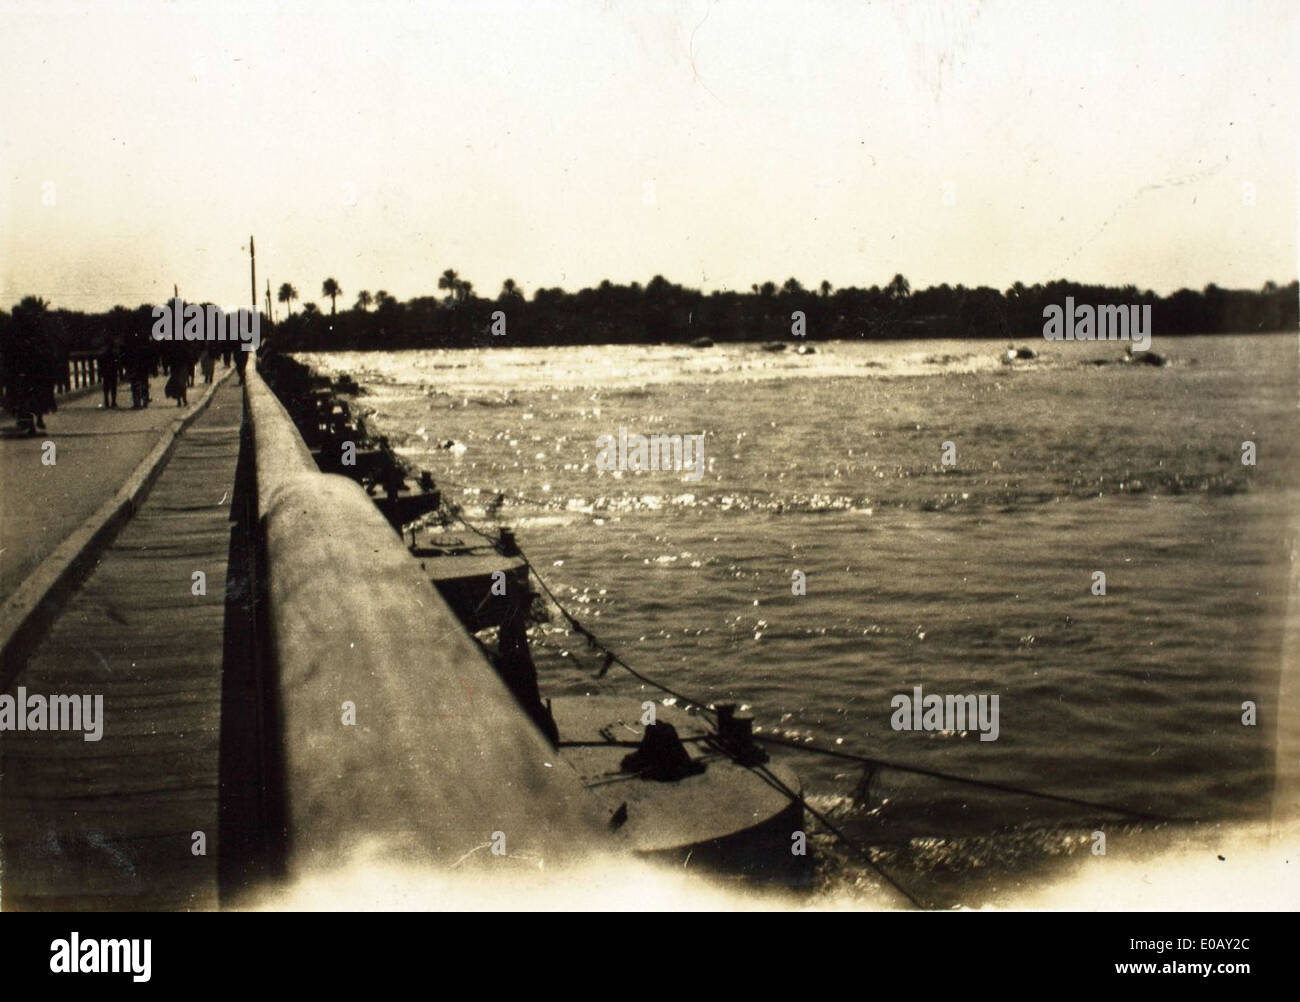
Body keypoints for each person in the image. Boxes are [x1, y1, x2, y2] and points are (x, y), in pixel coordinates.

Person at [99, 337, 121, 408]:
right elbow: (118, 364)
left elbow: (100, 365)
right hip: (113, 371)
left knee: (106, 387)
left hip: (106, 372)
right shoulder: (115, 354)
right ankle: (113, 401)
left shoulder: (102, 354)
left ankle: (106, 401)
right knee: (113, 387)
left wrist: (100, 373)